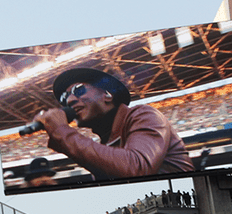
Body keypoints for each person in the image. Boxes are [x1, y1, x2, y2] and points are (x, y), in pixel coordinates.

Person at [31, 68, 192, 180]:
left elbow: (138, 168)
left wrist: (62, 131)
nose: (70, 100)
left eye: (79, 90)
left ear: (107, 95)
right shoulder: (104, 145)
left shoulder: (144, 115)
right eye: (64, 99)